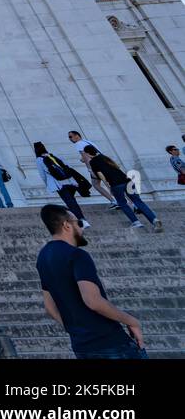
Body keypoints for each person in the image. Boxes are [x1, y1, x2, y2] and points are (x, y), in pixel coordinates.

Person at [36, 204, 146, 359]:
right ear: (67, 225)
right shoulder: (77, 255)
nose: (82, 228)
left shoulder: (43, 257)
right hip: (110, 342)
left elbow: (49, 307)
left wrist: (75, 330)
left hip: (81, 346)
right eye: (79, 223)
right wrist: (132, 321)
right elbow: (93, 301)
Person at [83, 145, 162, 232]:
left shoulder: (93, 162)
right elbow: (117, 167)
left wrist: (109, 187)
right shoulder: (104, 157)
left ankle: (136, 222)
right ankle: (154, 220)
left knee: (123, 203)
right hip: (127, 181)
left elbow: (101, 175)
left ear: (87, 153)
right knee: (138, 201)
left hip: (115, 184)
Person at [34, 142, 89, 228]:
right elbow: (66, 166)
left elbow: (42, 174)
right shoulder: (52, 155)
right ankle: (81, 220)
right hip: (69, 182)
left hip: (58, 184)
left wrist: (48, 184)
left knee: (70, 202)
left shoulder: (39, 160)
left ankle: (81, 221)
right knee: (72, 202)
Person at [68, 131, 119, 209]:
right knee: (106, 183)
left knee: (99, 184)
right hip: (104, 163)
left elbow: (86, 157)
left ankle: (116, 201)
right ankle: (118, 201)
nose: (70, 139)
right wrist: (82, 159)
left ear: (77, 136)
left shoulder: (78, 144)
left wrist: (90, 169)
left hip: (96, 167)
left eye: (70, 137)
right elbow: (92, 153)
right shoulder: (87, 141)